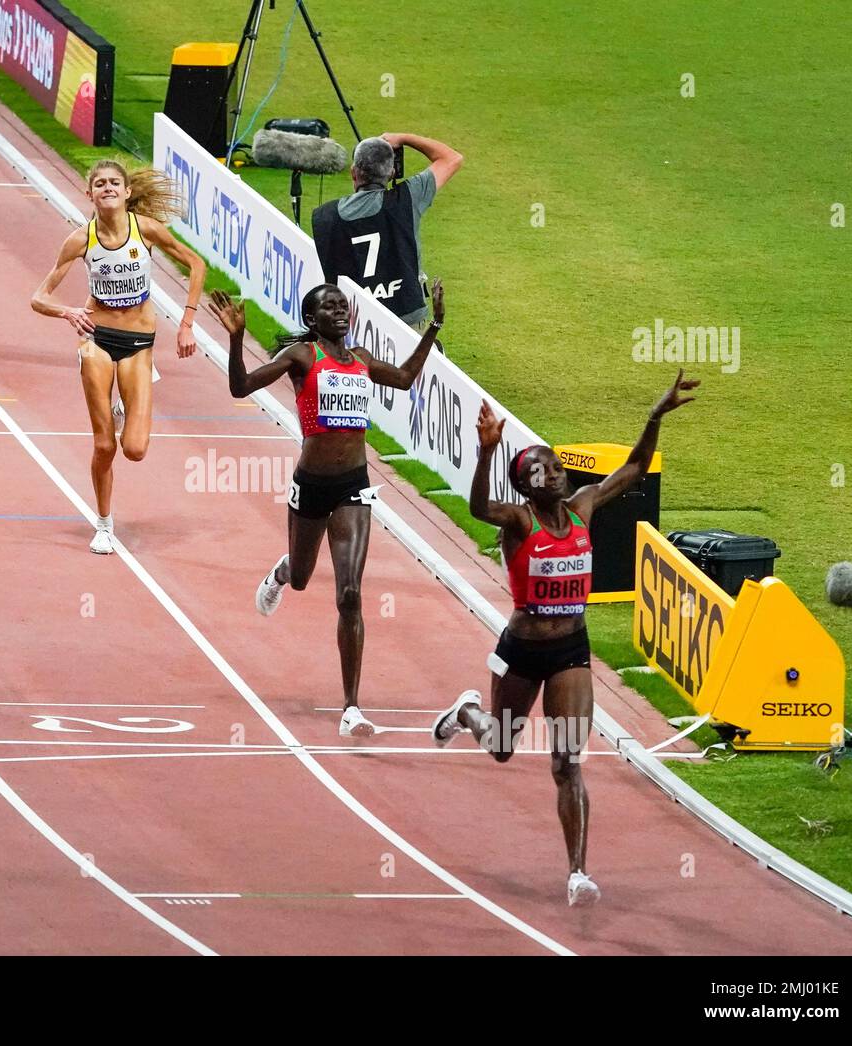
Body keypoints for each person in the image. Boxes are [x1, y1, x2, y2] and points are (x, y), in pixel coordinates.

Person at [431, 370, 700, 906]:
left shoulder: (582, 508)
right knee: (502, 749)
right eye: (539, 469)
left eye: (555, 465)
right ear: (525, 484)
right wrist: (486, 453)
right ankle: (467, 713)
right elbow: (477, 508)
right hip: (522, 650)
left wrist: (654, 417)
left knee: (566, 761)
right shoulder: (516, 521)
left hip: (572, 651)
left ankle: (578, 872)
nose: (553, 472)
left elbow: (634, 468)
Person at [209, 280, 445, 737]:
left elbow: (405, 378)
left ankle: (351, 707)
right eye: (329, 306)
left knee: (350, 594)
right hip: (311, 485)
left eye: (343, 305)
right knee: (300, 578)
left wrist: (434, 324)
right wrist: (237, 337)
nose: (339, 311)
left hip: (353, 487)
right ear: (312, 319)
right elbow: (241, 388)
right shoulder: (302, 357)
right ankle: (282, 571)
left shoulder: (361, 361)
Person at [31, 161, 206, 553]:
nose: (107, 188)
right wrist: (68, 311)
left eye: (114, 183)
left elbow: (196, 263)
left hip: (140, 342)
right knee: (105, 446)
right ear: (89, 193)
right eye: (99, 183)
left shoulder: (145, 229)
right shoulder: (80, 240)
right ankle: (104, 524)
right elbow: (38, 296)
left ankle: (124, 410)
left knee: (136, 450)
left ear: (127, 192)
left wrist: (187, 323)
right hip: (97, 338)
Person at [311, 132, 461, 332]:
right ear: (391, 173)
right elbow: (451, 158)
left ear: (353, 173)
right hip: (406, 318)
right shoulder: (407, 199)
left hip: (354, 324)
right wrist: (404, 138)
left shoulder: (324, 215)